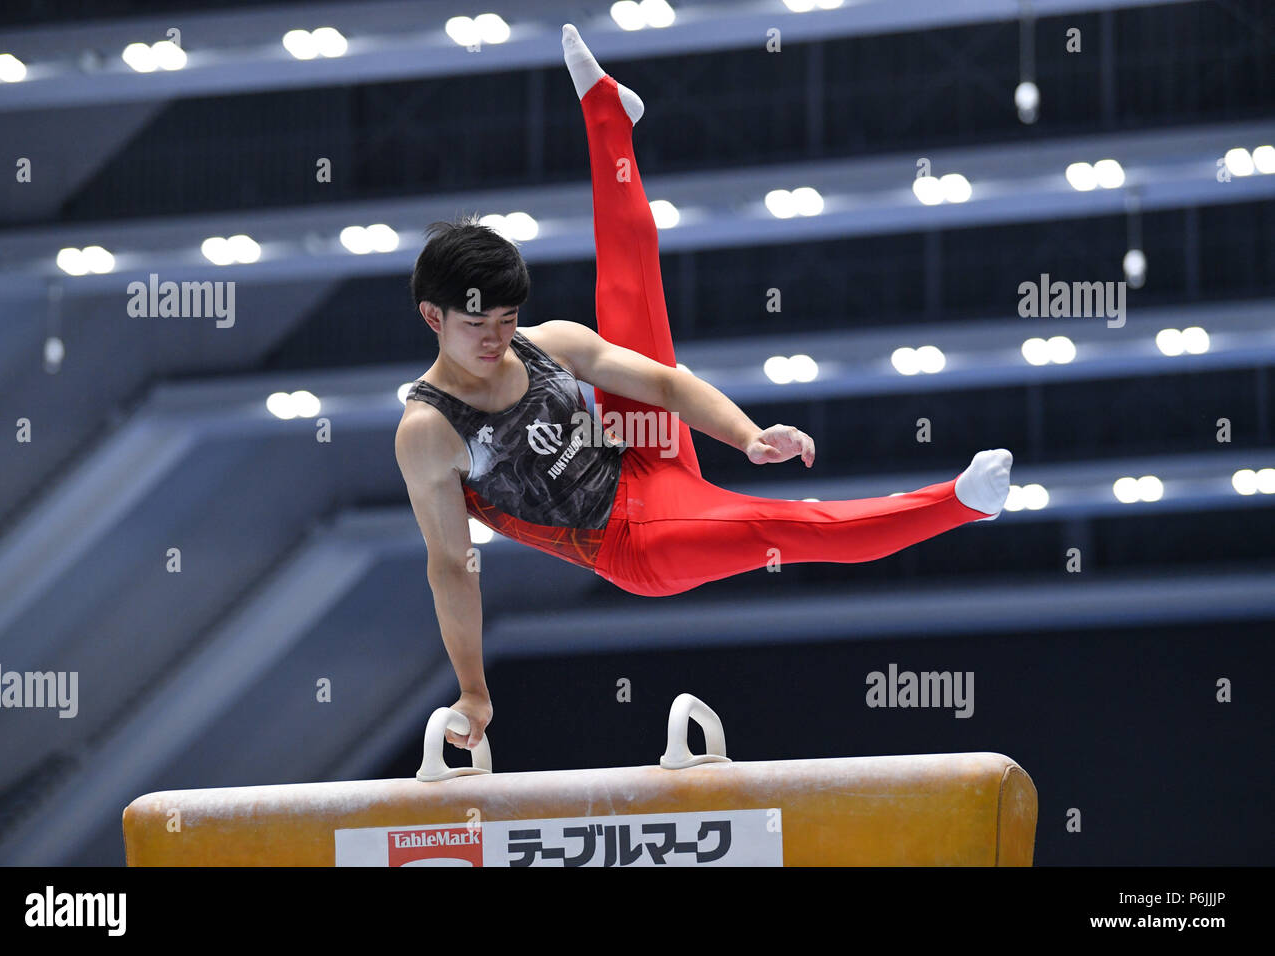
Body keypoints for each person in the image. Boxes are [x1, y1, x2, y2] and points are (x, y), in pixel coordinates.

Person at [395, 25, 1012, 752]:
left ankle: (606, 114)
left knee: (628, 292)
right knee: (786, 528)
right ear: (433, 316)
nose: (498, 339)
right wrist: (473, 690)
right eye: (477, 325)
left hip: (645, 459)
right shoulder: (429, 433)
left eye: (508, 318)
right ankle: (961, 504)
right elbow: (451, 565)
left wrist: (746, 435)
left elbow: (664, 382)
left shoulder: (546, 344)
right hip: (632, 542)